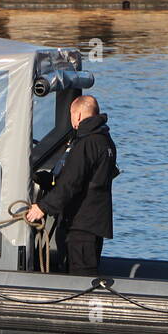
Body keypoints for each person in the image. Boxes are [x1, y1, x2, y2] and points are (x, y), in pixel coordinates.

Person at [25, 95, 118, 275]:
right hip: (93, 222)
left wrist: (43, 207)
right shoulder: (105, 140)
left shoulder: (86, 143)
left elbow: (71, 183)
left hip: (81, 225)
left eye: (71, 115)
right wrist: (48, 180)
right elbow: (84, 179)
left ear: (78, 116)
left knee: (81, 275)